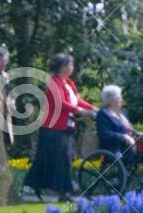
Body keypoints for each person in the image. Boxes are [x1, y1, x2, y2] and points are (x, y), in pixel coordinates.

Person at [23, 53, 94, 201]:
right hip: (53, 129)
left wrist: (93, 108)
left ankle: (52, 189)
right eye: (70, 64)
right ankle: (61, 191)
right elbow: (61, 103)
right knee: (57, 159)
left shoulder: (68, 83)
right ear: (63, 67)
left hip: (64, 128)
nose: (72, 67)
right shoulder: (54, 83)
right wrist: (80, 111)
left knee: (62, 159)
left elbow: (76, 100)